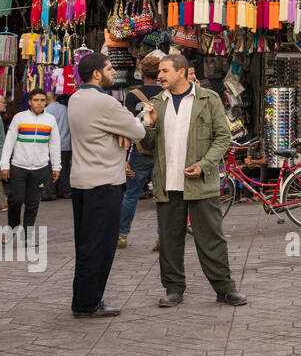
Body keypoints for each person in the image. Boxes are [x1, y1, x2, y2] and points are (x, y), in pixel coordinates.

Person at [141, 53, 246, 307]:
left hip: (200, 183)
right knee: (169, 241)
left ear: (181, 72)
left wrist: (204, 164)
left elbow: (222, 137)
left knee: (211, 239)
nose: (159, 76)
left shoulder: (208, 99)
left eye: (165, 71)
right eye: (159, 71)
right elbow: (147, 146)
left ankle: (224, 289)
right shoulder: (157, 102)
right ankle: (173, 288)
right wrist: (150, 125)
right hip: (168, 184)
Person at [67, 53, 145, 319]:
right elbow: (139, 131)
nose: (114, 73)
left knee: (86, 243)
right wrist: (142, 120)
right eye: (110, 68)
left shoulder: (76, 98)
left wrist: (118, 130)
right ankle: (88, 303)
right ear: (97, 74)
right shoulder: (105, 102)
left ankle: (83, 298)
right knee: (101, 245)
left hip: (81, 182)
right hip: (103, 183)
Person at [0, 88, 60, 240]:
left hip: (40, 168)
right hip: (19, 166)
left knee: (33, 204)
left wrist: (56, 166)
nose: (39, 103)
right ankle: (12, 227)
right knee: (16, 200)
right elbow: (9, 142)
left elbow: (54, 144)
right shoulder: (19, 118)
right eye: (36, 100)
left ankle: (27, 236)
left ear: (46, 102)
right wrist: (4, 165)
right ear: (30, 102)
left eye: (42, 100)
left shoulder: (50, 120)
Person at [119, 54, 163, 250]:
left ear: (141, 73)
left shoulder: (132, 95)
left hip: (139, 150)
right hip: (162, 152)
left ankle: (121, 235)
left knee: (131, 195)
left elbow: (127, 126)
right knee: (162, 196)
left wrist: (124, 156)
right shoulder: (166, 94)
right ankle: (162, 237)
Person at [43, 92, 72, 200]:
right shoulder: (65, 109)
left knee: (51, 169)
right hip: (66, 144)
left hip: (52, 144)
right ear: (55, 97)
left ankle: (51, 193)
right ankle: (66, 192)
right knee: (65, 169)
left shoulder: (46, 111)